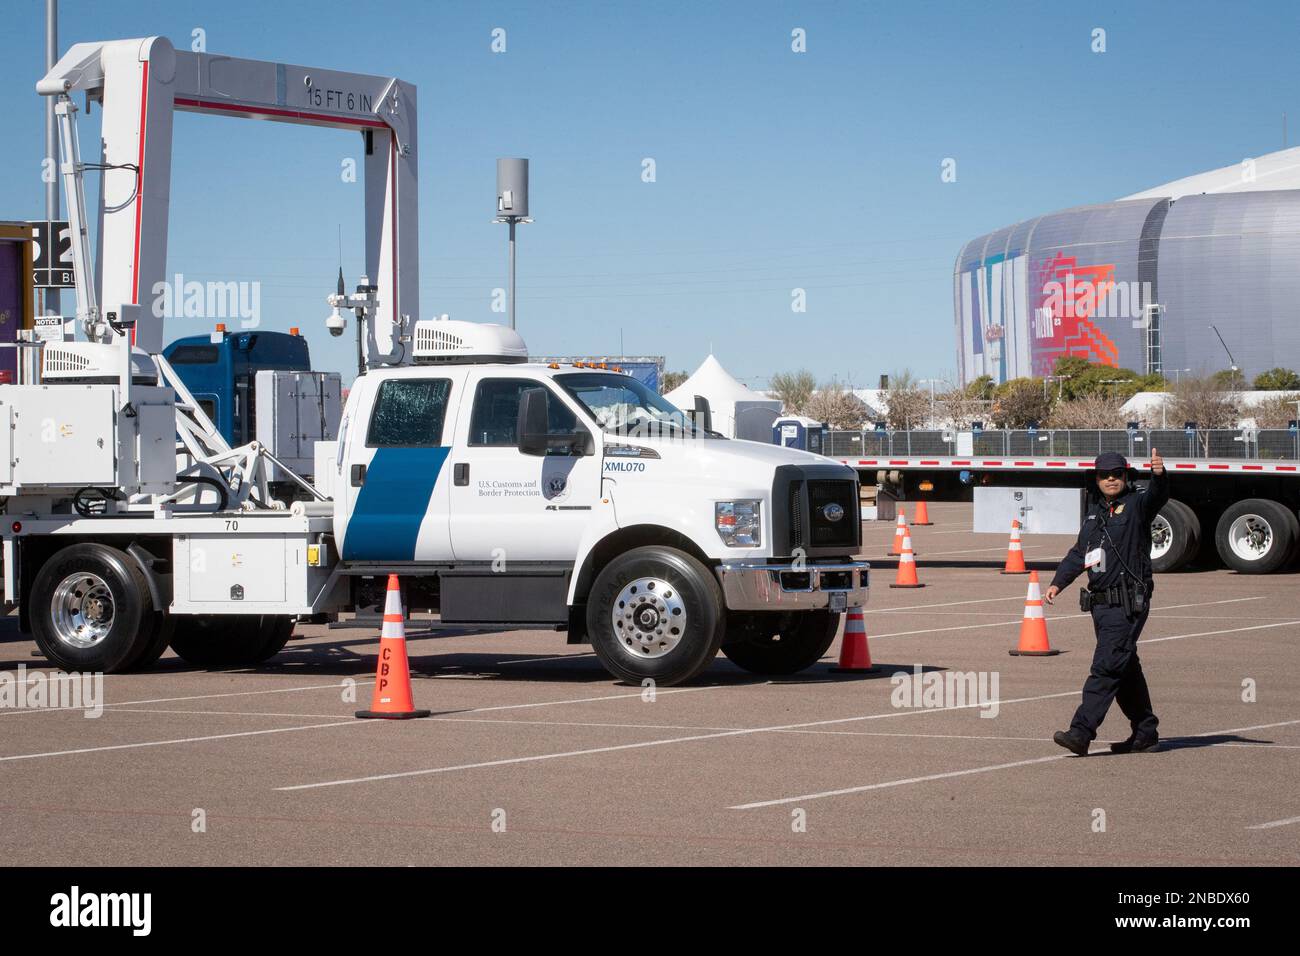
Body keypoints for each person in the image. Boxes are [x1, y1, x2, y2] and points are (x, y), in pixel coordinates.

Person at [1045, 448, 1168, 756]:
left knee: (1106, 666)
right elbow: (1079, 553)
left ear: (1126, 477)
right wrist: (1058, 582)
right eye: (1105, 475)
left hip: (1128, 603)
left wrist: (1160, 476)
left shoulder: (1137, 505)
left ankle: (1081, 732)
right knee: (1124, 667)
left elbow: (1158, 496)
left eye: (1117, 474)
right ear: (1096, 479)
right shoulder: (1094, 513)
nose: (1111, 479)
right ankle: (1146, 732)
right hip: (1100, 605)